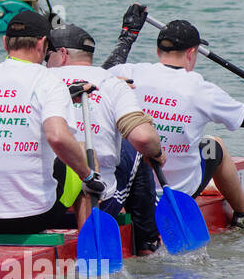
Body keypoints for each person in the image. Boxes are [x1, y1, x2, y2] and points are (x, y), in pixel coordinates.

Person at [103, 5, 244, 227]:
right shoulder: (200, 89)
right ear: (192, 53)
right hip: (179, 191)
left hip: (128, 187)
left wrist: (128, 35)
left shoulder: (129, 73)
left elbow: (100, 75)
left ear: (158, 51)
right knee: (215, 145)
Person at [0, 10, 100, 235]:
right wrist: (89, 176)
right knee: (80, 151)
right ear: (43, 43)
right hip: (33, 216)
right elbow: (57, 137)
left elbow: (8, 113)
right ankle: (89, 243)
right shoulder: (49, 80)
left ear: (5, 43)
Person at [47, 23, 165, 254]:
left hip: (39, 206)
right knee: (138, 148)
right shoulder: (111, 82)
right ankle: (146, 242)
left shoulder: (39, 79)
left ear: (62, 54)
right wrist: (157, 153)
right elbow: (143, 138)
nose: (44, 60)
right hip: (97, 203)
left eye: (47, 54)